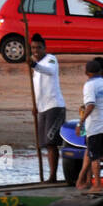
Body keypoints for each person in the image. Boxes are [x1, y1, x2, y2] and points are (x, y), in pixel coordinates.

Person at [77, 58, 103, 190]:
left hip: (95, 125)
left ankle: (98, 184)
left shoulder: (89, 85)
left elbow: (90, 105)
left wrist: (81, 122)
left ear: (86, 72)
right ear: (100, 71)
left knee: (94, 156)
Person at [28, 35, 65, 183]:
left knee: (51, 143)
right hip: (42, 108)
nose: (35, 51)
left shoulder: (50, 59)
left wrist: (34, 65)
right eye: (33, 48)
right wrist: (35, 106)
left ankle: (52, 177)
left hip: (54, 106)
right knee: (43, 143)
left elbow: (48, 71)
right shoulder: (36, 66)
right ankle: (50, 176)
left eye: (38, 48)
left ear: (44, 48)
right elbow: (38, 89)